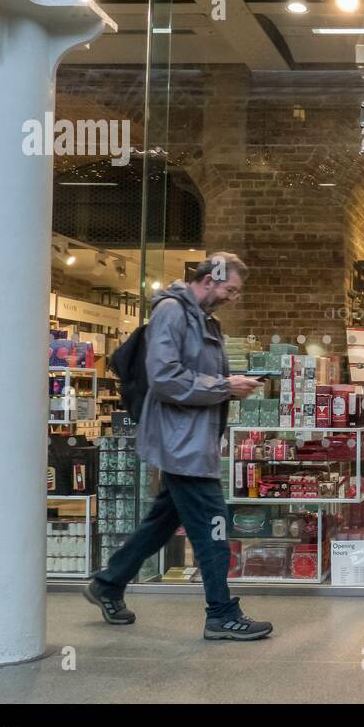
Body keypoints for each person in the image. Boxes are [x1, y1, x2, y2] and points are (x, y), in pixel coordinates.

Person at [84, 252, 274, 641]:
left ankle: (108, 582)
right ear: (210, 278)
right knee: (213, 526)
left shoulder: (205, 320)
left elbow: (194, 374)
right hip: (181, 441)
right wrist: (225, 387)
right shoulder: (172, 312)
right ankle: (221, 613)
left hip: (191, 438)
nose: (233, 298)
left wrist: (230, 382)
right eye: (231, 290)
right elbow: (165, 377)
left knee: (163, 521)